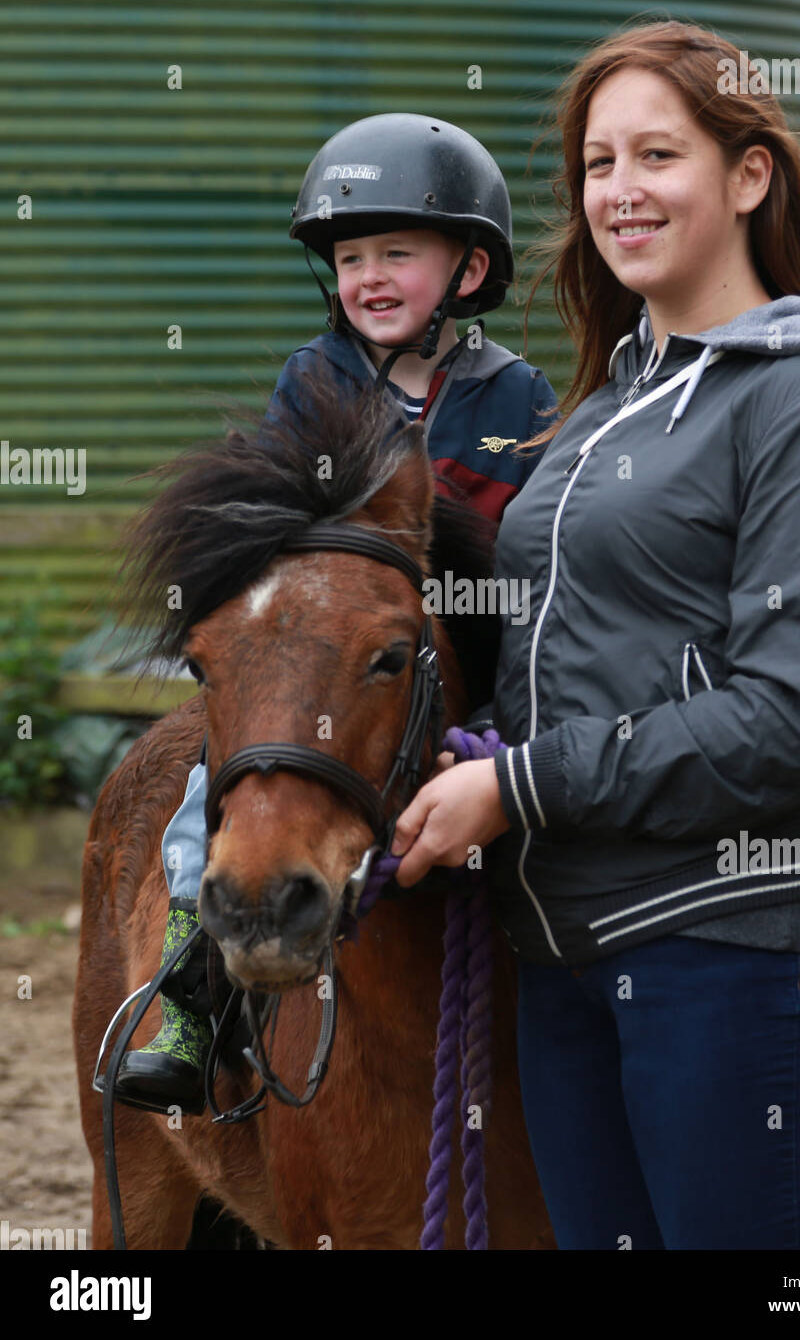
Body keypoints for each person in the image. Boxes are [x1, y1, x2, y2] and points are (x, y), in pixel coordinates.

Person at [389, 21, 800, 1250]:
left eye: (656, 155)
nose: (618, 192)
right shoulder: (598, 409)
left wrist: (517, 785)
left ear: (748, 177)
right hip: (569, 943)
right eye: (597, 164)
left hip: (736, 947)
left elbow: (795, 721)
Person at [112, 113, 556, 1116]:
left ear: (470, 273)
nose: (370, 276)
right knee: (200, 799)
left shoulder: (515, 393)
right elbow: (269, 534)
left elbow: (531, 544)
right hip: (320, 674)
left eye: (397, 252)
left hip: (470, 676)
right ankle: (193, 991)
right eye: (352, 257)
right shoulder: (313, 381)